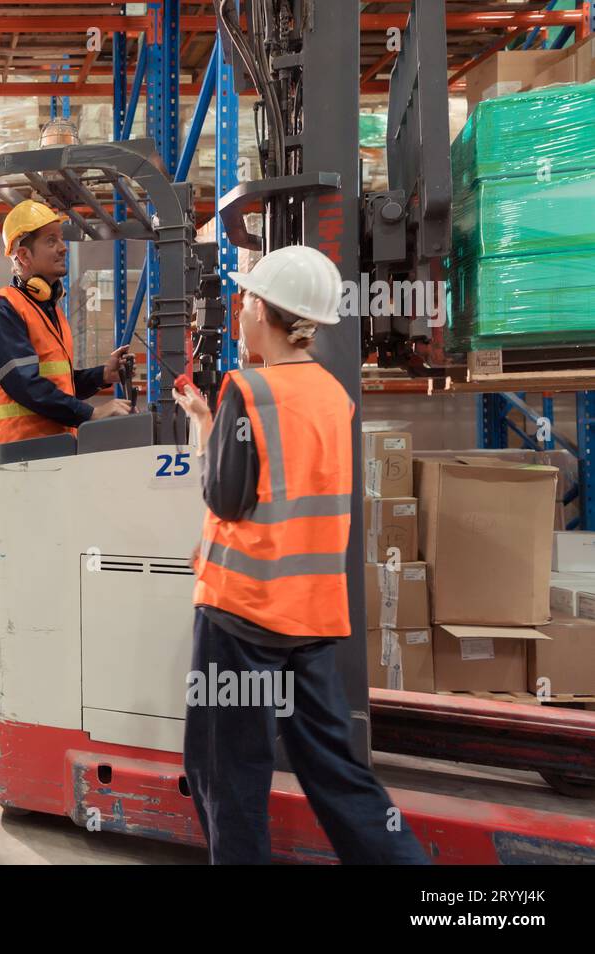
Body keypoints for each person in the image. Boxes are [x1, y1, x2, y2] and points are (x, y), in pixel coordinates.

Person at [172, 245, 428, 865]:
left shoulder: (248, 390)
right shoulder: (333, 395)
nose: (237, 310)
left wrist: (204, 428)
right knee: (338, 775)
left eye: (244, 300)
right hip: (312, 619)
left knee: (227, 774)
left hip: (242, 616)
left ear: (263, 310)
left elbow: (226, 499)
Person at [0, 199, 132, 449]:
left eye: (60, 239)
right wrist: (90, 414)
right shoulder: (2, 310)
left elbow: (59, 383)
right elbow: (26, 385)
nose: (63, 248)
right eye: (51, 240)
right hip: (20, 455)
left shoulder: (48, 309)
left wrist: (102, 375)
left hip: (52, 450)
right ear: (24, 255)